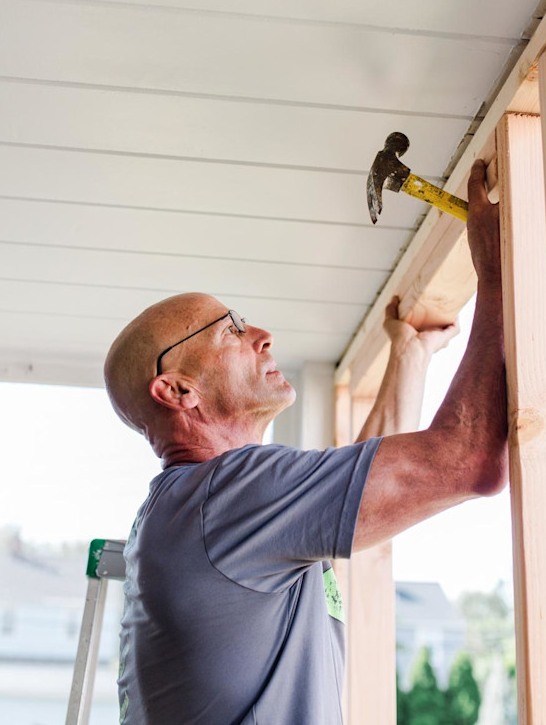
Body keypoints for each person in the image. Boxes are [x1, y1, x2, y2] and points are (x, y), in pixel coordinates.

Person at [102, 159, 507, 724]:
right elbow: (471, 458)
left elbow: (362, 490)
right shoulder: (227, 495)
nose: (264, 337)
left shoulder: (198, 510)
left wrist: (410, 355)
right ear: (178, 389)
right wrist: (498, 274)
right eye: (233, 332)